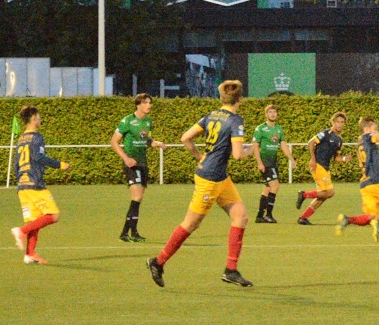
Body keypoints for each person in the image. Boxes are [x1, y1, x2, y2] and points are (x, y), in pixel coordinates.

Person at [146, 80, 259, 288]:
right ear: (240, 100)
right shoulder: (235, 121)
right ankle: (158, 261)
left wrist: (200, 156)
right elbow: (238, 155)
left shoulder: (211, 115)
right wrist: (251, 149)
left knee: (241, 217)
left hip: (219, 177)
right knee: (190, 224)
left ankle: (231, 270)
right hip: (210, 179)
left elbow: (185, 138)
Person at [11, 106, 70, 265]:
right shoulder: (36, 137)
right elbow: (39, 157)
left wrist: (20, 181)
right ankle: (21, 231)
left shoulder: (21, 139)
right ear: (33, 118)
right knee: (54, 215)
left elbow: (16, 164)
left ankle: (30, 254)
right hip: (35, 183)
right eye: (39, 116)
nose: (40, 119)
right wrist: (59, 164)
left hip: (22, 185)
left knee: (35, 221)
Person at [337, 118, 379, 241]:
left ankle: (347, 219)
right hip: (376, 182)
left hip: (365, 184)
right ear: (366, 129)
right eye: (375, 129)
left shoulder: (360, 144)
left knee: (371, 216)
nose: (377, 131)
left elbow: (369, 167)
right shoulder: (368, 137)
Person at [111, 93, 159, 242]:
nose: (149, 105)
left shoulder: (148, 121)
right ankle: (128, 232)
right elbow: (114, 142)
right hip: (131, 164)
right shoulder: (127, 121)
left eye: (150, 102)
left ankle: (130, 233)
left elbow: (146, 139)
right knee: (137, 197)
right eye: (145, 102)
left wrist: (155, 143)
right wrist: (126, 158)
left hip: (143, 163)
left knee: (138, 199)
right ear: (138, 104)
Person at [296, 112, 346, 225]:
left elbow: (336, 157)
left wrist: (344, 158)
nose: (340, 124)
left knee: (323, 196)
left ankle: (303, 218)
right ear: (333, 122)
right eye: (338, 122)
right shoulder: (326, 133)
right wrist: (312, 159)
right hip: (318, 165)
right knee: (329, 192)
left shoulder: (339, 140)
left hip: (325, 167)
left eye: (342, 122)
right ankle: (304, 194)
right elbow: (311, 143)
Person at [250, 103, 293, 224]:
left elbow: (283, 145)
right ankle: (268, 215)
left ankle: (259, 216)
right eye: (270, 112)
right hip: (265, 161)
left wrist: (291, 158)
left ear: (277, 114)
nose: (272, 114)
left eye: (274, 112)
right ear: (266, 114)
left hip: (273, 161)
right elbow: (255, 146)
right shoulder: (260, 128)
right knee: (275, 186)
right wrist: (259, 163)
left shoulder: (279, 129)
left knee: (267, 188)